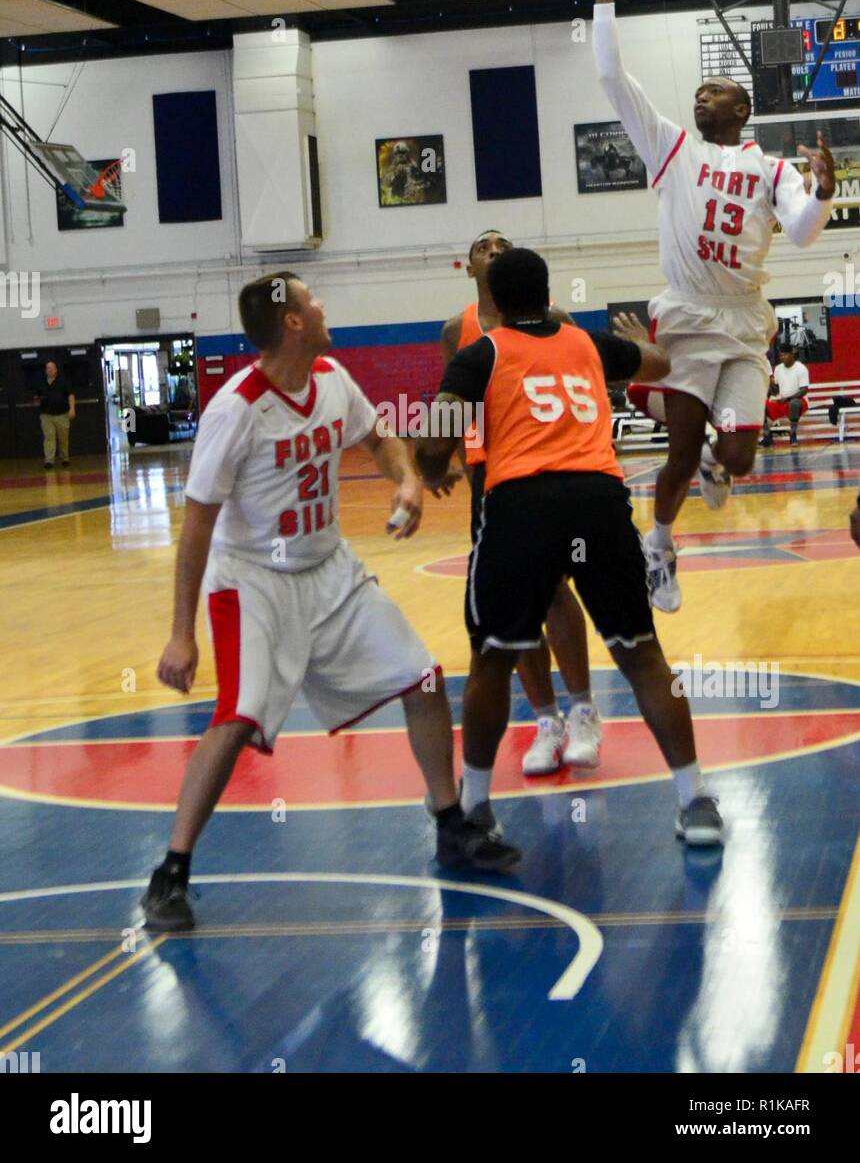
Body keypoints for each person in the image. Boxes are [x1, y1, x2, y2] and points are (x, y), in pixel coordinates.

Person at [142, 272, 519, 933]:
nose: (321, 305)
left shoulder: (333, 380)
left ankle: (450, 823)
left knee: (422, 677)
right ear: (290, 321)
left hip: (329, 570)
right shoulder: (236, 409)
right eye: (310, 299)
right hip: (253, 580)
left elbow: (379, 441)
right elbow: (197, 526)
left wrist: (405, 481)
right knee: (235, 718)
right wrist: (180, 634)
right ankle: (169, 873)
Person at [416, 247, 724, 846]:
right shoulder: (587, 345)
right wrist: (631, 343)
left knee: (493, 659)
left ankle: (475, 808)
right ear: (548, 293)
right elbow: (658, 363)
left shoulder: (480, 353)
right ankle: (697, 800)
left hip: (521, 508)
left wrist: (428, 464)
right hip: (598, 503)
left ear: (496, 302)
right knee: (643, 656)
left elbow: (433, 443)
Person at [577, 0, 835, 612]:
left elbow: (804, 230)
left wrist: (825, 191)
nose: (701, 94)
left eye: (713, 89)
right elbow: (612, 77)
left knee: (742, 457)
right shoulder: (672, 148)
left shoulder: (772, 170)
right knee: (684, 451)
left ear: (741, 107)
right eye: (697, 90)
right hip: (690, 315)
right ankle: (658, 546)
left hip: (747, 319)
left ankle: (707, 445)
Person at [440, 230, 602, 778]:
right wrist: (449, 462)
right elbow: (453, 400)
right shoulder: (456, 331)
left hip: (552, 462)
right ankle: (547, 719)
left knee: (556, 586)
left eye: (503, 244)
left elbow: (583, 377)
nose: (494, 248)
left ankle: (582, 708)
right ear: (468, 267)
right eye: (483, 245)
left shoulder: (555, 317)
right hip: (493, 470)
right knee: (516, 601)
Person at [761, 347, 810, 447]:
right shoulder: (778, 369)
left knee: (794, 403)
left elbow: (803, 391)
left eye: (785, 355)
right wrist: (771, 388)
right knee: (760, 405)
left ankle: (793, 435)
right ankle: (767, 437)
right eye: (780, 355)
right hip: (782, 401)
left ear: (792, 354)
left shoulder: (801, 368)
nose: (782, 357)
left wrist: (787, 399)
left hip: (799, 401)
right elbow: (777, 390)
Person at [38, 359, 75, 468]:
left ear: (56, 370)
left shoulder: (63, 382)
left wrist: (72, 409)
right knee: (49, 438)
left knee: (63, 438)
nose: (49, 370)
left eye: (51, 368)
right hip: (46, 415)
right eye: (47, 368)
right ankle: (49, 461)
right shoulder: (41, 383)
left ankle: (65, 458)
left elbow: (70, 395)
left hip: (62, 414)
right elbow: (37, 398)